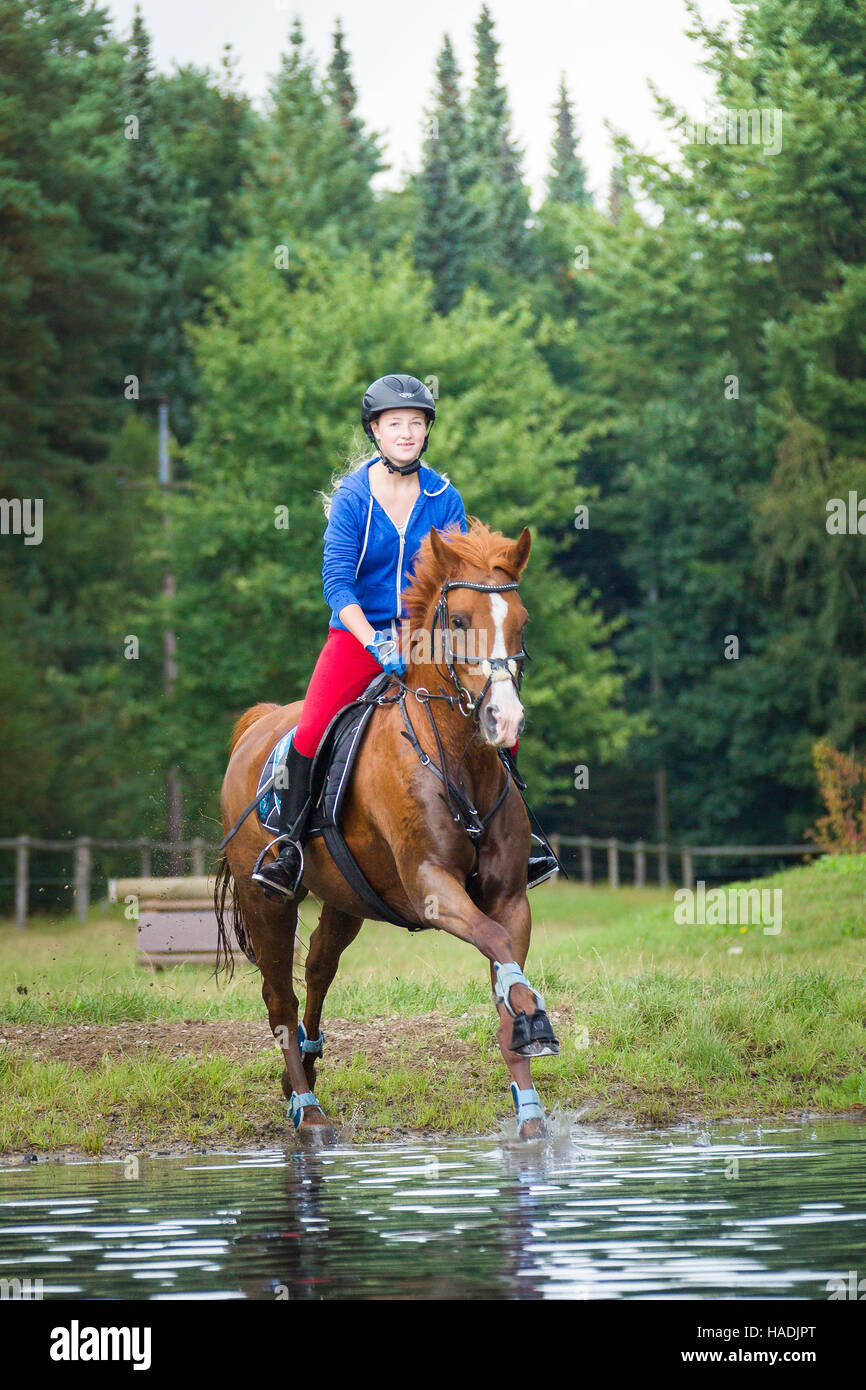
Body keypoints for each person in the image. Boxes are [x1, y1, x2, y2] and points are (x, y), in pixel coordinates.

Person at [252, 372, 518, 900]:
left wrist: (434, 641)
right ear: (375, 431)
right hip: (357, 636)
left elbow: (457, 579)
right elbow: (336, 582)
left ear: (426, 432)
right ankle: (288, 847)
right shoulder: (353, 496)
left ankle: (518, 841)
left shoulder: (444, 496)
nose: (406, 432)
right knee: (310, 731)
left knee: (499, 710)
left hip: (428, 640)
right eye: (394, 423)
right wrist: (375, 641)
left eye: (415, 423)